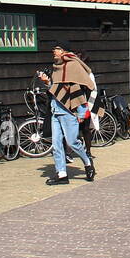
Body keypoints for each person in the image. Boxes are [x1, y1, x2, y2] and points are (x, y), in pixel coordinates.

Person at [36, 46, 96, 185]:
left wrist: (81, 112)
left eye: (56, 48)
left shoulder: (73, 65)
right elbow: (57, 88)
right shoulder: (57, 66)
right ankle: (62, 174)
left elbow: (79, 88)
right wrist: (47, 83)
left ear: (63, 50)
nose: (53, 51)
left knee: (72, 142)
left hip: (69, 111)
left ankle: (87, 162)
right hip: (55, 110)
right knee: (56, 145)